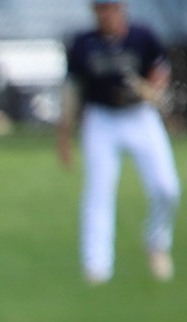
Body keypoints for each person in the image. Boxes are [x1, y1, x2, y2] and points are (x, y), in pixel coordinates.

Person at [57, 0, 179, 283]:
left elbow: (160, 69)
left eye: (110, 7)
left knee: (167, 188)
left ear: (122, 8)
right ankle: (96, 267)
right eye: (100, 8)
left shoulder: (142, 36)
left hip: (139, 116)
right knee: (98, 191)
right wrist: (63, 137)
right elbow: (72, 91)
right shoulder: (84, 44)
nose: (106, 14)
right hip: (102, 119)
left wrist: (151, 89)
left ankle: (157, 243)